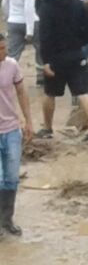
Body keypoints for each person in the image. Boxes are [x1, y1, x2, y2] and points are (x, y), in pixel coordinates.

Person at [36, 0, 88, 141]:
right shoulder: (77, 4)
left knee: (49, 93)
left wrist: (46, 61)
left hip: (55, 58)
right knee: (83, 92)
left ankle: (48, 128)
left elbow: (44, 36)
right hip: (75, 54)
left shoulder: (46, 7)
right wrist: (79, 43)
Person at [0, 32, 34, 236]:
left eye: (5, 48)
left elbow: (21, 92)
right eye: (0, 50)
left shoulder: (12, 65)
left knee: (11, 177)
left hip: (12, 129)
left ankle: (7, 220)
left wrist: (28, 121)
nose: (4, 52)